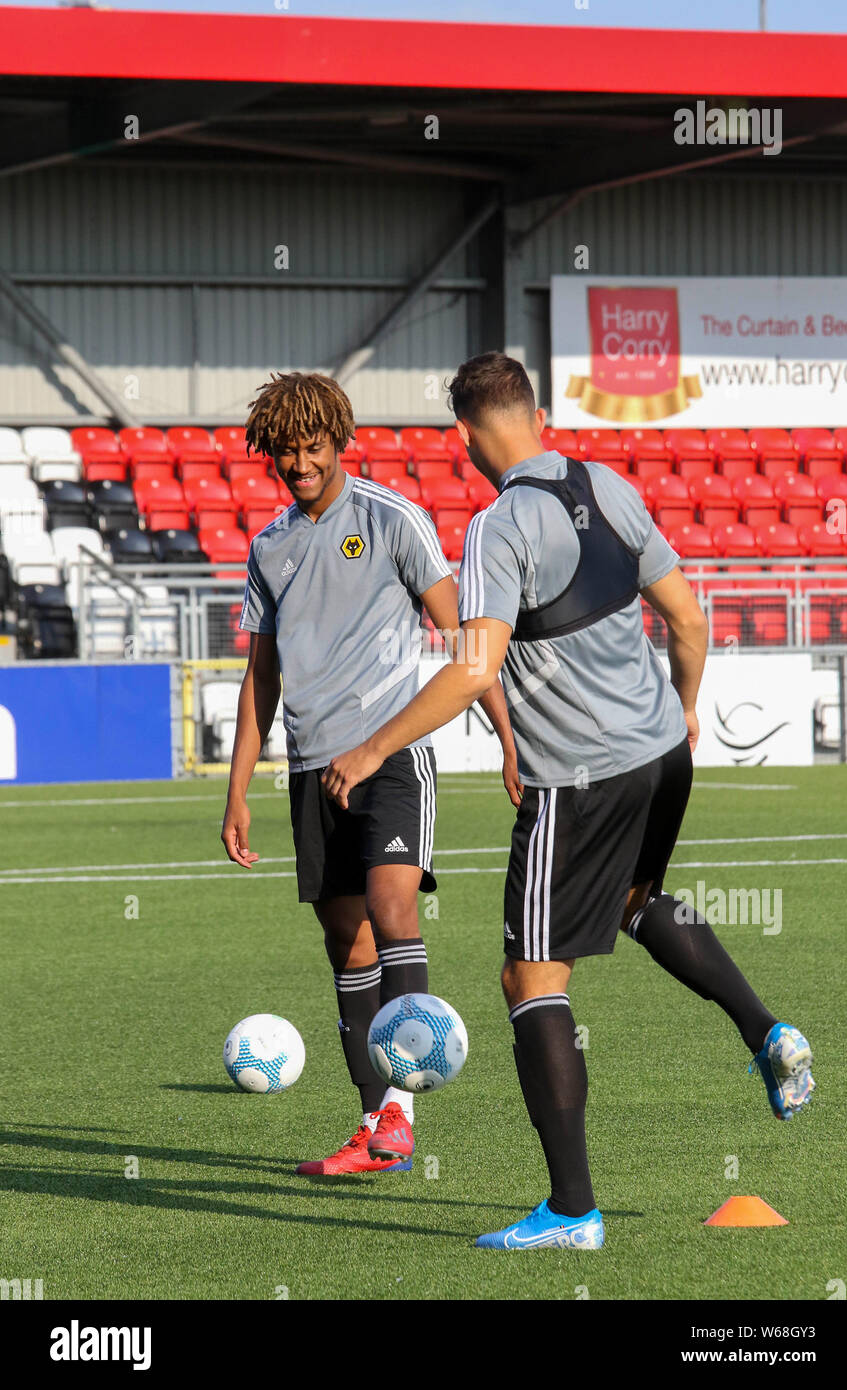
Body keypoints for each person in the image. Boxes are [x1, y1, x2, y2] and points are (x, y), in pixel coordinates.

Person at [322, 351, 815, 1246]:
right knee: (636, 901)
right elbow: (689, 617)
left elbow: (474, 667)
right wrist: (689, 706)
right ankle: (765, 1030)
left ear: (465, 435)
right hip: (664, 753)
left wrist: (372, 746)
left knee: (529, 978)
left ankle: (572, 1210)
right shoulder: (611, 486)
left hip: (581, 778)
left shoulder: (497, 526)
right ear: (535, 413)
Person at [221, 370, 517, 1176]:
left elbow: (467, 640)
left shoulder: (393, 519)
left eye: (312, 446)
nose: (299, 463)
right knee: (345, 946)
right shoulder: (269, 547)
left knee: (394, 906)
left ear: (338, 441)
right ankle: (372, 1131)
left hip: (392, 756)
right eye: (284, 451)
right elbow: (262, 677)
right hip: (312, 769)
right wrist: (238, 788)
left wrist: (507, 736)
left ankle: (401, 1107)